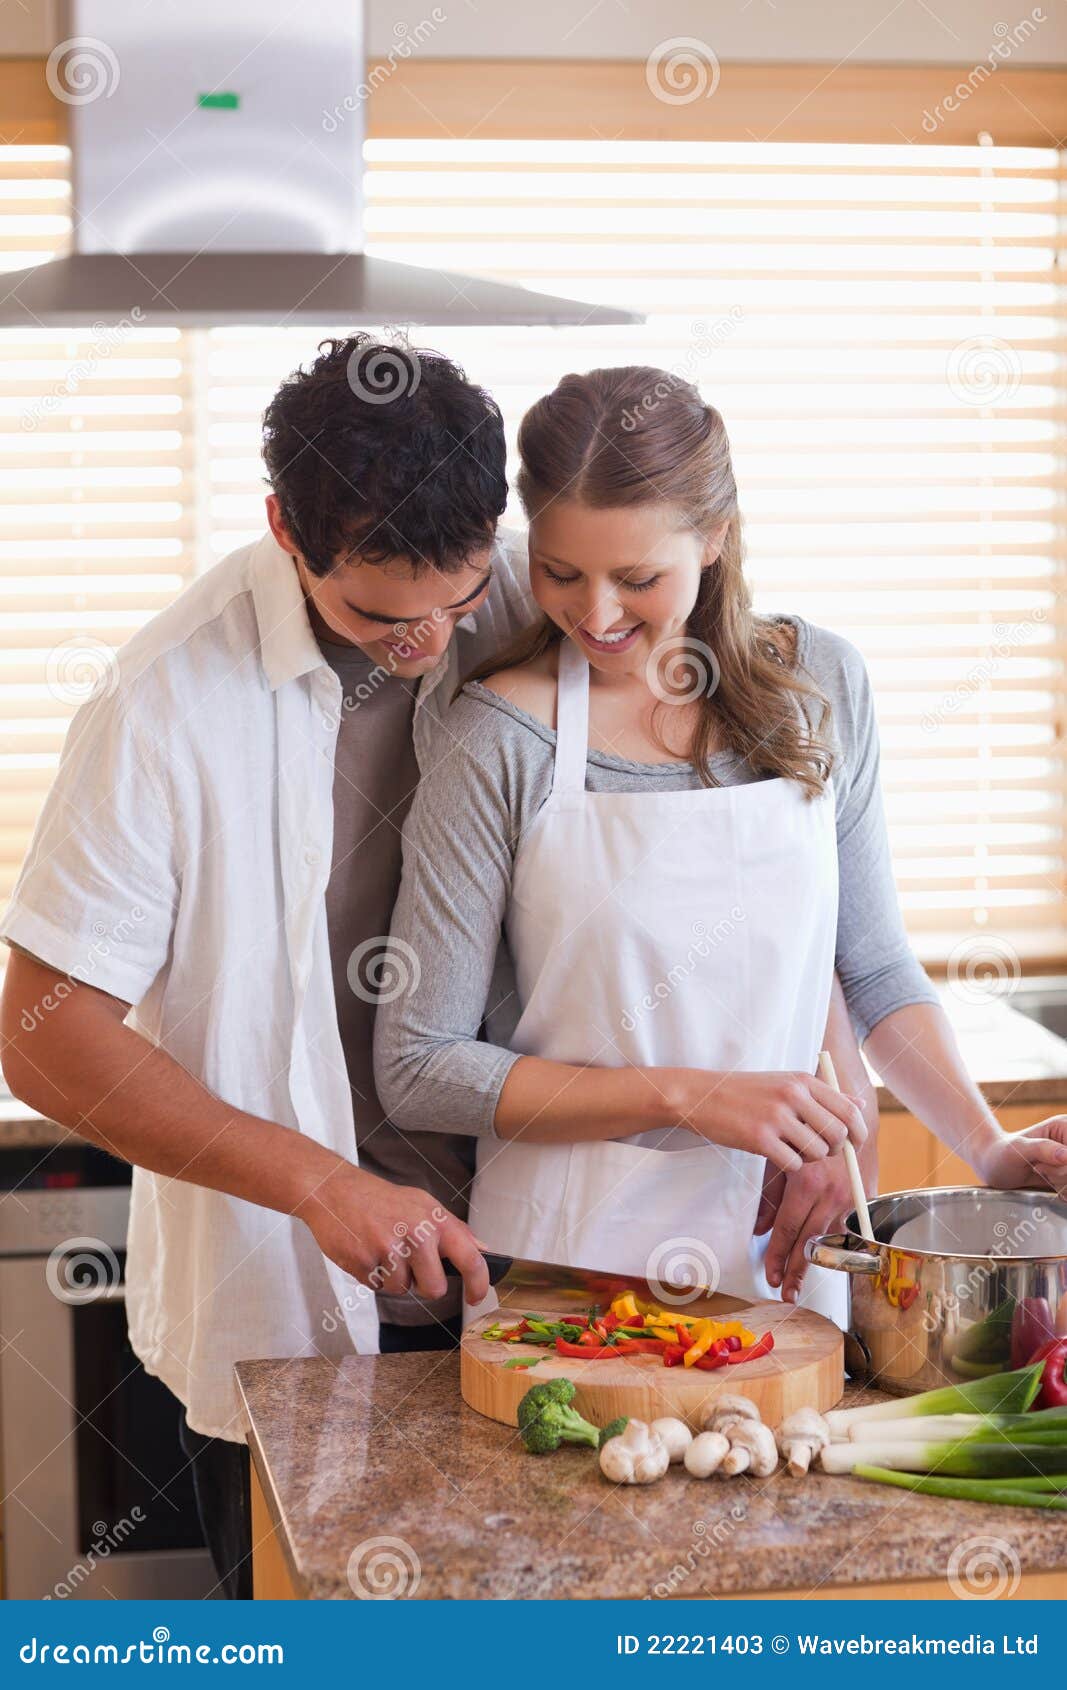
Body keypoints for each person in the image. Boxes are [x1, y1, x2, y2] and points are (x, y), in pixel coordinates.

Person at [0, 336, 531, 1597]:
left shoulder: (519, 606)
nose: (425, 641)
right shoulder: (162, 702)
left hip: (529, 1276)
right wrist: (319, 1186)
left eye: (453, 604)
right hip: (294, 1315)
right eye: (378, 615)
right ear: (284, 526)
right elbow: (40, 1028)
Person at [375, 364, 1067, 1308]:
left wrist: (985, 1145)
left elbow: (869, 965)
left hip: (791, 1254)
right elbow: (419, 1066)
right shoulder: (497, 736)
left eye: (638, 578)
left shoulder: (819, 685)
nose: (597, 614)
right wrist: (690, 1096)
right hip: (569, 1265)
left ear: (715, 539)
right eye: (560, 573)